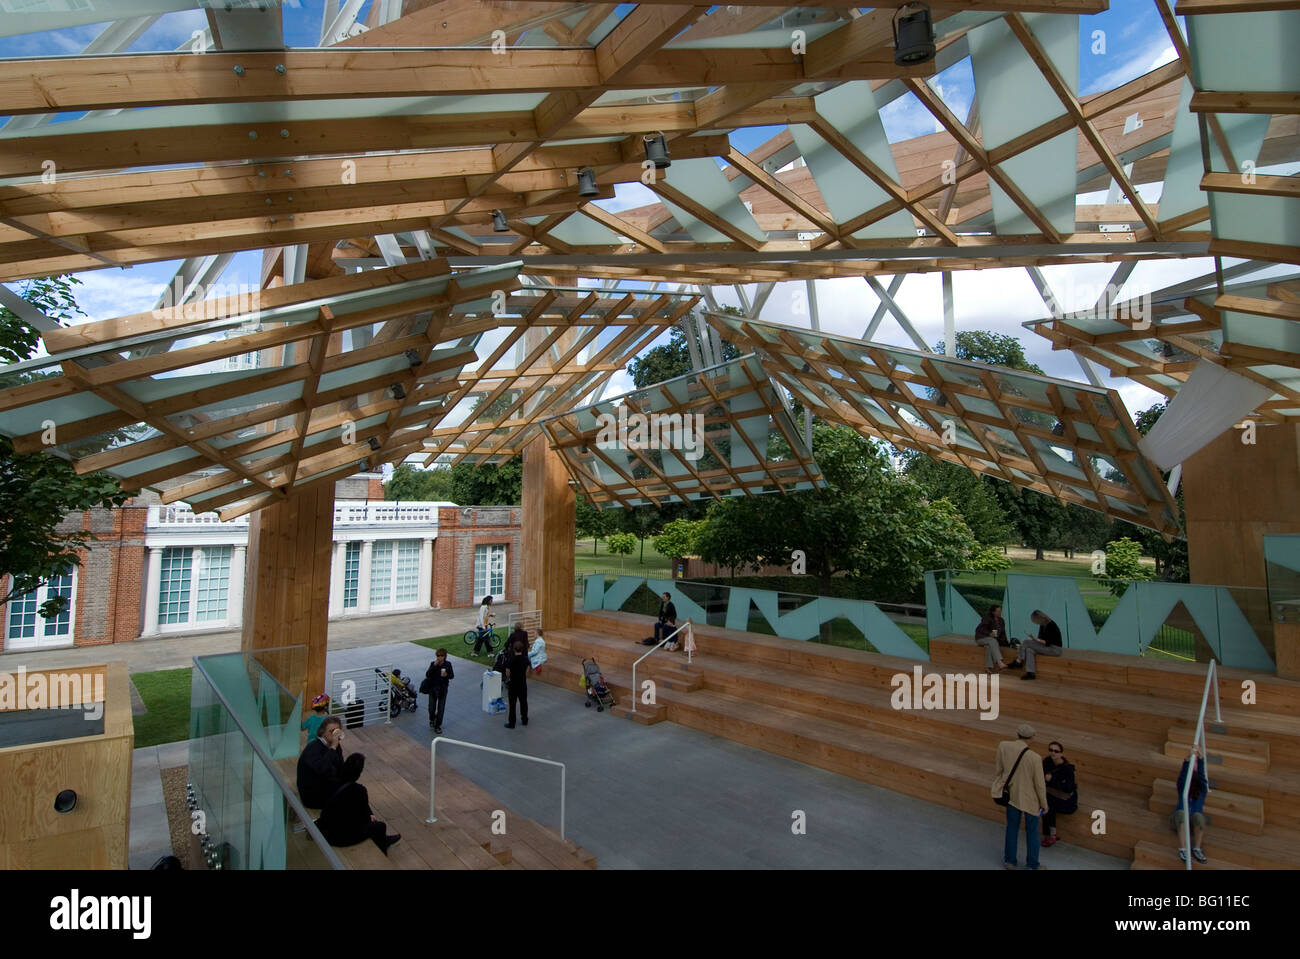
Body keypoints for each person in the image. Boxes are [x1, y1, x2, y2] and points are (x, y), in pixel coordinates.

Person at [315, 753, 401, 855]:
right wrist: (370, 817)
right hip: (341, 837)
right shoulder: (360, 791)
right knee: (380, 826)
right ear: (359, 773)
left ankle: (382, 841)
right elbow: (363, 817)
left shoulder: (332, 783)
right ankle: (383, 848)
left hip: (327, 830)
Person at [992, 723, 1048, 870]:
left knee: (1012, 829)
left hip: (1011, 795)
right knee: (1032, 833)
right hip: (1031, 800)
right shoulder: (1035, 757)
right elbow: (1040, 785)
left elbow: (999, 769)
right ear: (1031, 738)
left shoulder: (1003, 746)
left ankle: (1010, 861)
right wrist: (1044, 804)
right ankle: (1032, 865)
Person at [296, 716, 345, 808]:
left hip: (325, 785)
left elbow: (340, 768)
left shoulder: (336, 747)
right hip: (312, 795)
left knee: (355, 790)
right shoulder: (313, 748)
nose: (335, 735)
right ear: (323, 733)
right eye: (331, 731)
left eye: (337, 731)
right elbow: (322, 768)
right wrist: (333, 747)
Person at [1172, 752, 1210, 864]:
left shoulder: (1201, 792)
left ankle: (1197, 849)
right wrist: (1186, 761)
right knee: (1181, 814)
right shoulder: (1182, 791)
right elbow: (1182, 778)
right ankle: (1183, 849)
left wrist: (1201, 760)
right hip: (1179, 821)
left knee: (1199, 817)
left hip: (1192, 821)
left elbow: (1203, 778)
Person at [1004, 609, 1062, 680]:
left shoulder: (1051, 626)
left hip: (1055, 649)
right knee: (1029, 650)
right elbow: (1041, 639)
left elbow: (1047, 642)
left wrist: (1035, 639)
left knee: (1026, 642)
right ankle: (1030, 673)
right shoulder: (1043, 625)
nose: (1035, 622)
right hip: (1047, 647)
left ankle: (1019, 661)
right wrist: (1034, 639)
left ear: (1039, 618)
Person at [1041, 740, 1078, 846]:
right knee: (1046, 802)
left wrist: (1051, 780)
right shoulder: (1047, 762)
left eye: (1056, 751)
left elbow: (1069, 789)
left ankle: (1050, 835)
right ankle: (1051, 834)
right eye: (1051, 750)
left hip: (1067, 800)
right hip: (1051, 794)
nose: (1053, 753)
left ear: (1061, 753)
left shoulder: (1067, 769)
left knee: (1047, 804)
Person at [502, 633, 530, 729]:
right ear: (522, 649)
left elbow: (507, 673)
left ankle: (512, 723)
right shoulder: (526, 659)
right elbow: (527, 671)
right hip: (522, 683)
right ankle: (525, 719)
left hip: (513, 684)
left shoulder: (510, 660)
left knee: (512, 704)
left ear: (514, 649)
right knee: (523, 702)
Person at [424, 648, 454, 735]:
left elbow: (452, 676)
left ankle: (438, 726)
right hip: (433, 688)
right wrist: (434, 666)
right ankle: (432, 719)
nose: (440, 657)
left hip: (443, 689)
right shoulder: (433, 664)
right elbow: (427, 674)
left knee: (441, 708)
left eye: (442, 656)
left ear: (445, 656)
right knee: (431, 707)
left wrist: (446, 675)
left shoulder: (448, 664)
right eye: (438, 656)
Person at [974, 604, 1008, 674]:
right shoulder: (987, 618)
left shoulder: (1001, 620)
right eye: (998, 611)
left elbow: (1003, 633)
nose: (1000, 612)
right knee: (992, 640)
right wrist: (989, 634)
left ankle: (988, 668)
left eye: (1000, 611)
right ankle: (999, 662)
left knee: (989, 647)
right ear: (993, 612)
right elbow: (979, 629)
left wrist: (1006, 643)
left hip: (992, 641)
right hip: (981, 638)